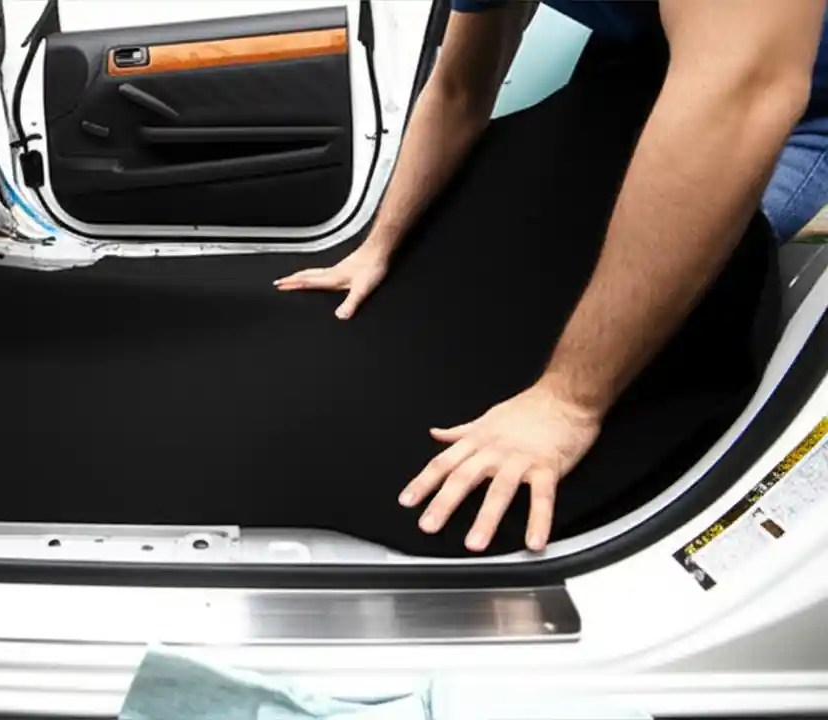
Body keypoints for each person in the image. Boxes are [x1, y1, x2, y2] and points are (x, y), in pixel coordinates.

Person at [275, 0, 827, 553]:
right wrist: (378, 246)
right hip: (648, 60)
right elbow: (460, 87)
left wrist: (567, 403)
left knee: (696, 295)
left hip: (788, 102)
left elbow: (743, 97)